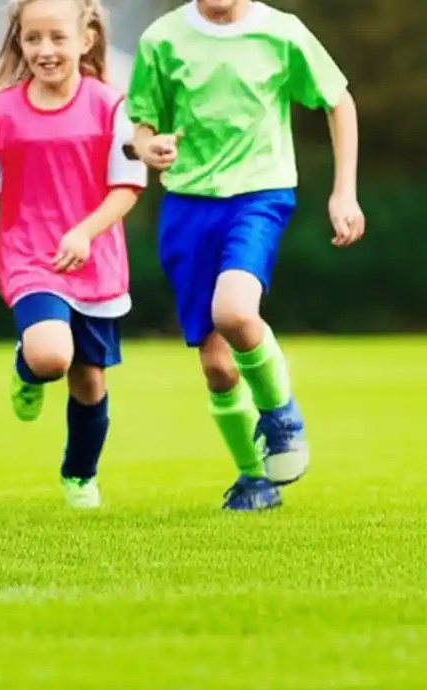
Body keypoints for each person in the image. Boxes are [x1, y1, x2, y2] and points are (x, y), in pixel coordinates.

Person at [127, 0, 364, 510]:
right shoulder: (162, 40)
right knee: (217, 365)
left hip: (260, 195)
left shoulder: (283, 33)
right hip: (187, 206)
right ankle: (253, 479)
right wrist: (148, 148)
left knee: (234, 311)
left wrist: (344, 192)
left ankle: (280, 415)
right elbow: (140, 127)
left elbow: (338, 102)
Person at [0, 0, 146, 509]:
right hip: (31, 258)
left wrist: (84, 232)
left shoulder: (111, 106)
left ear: (86, 40)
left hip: (95, 261)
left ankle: (80, 474)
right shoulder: (3, 111)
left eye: (57, 37)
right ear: (20, 42)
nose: (45, 50)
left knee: (89, 380)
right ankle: (29, 367)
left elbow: (127, 186)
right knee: (52, 354)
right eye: (33, 39)